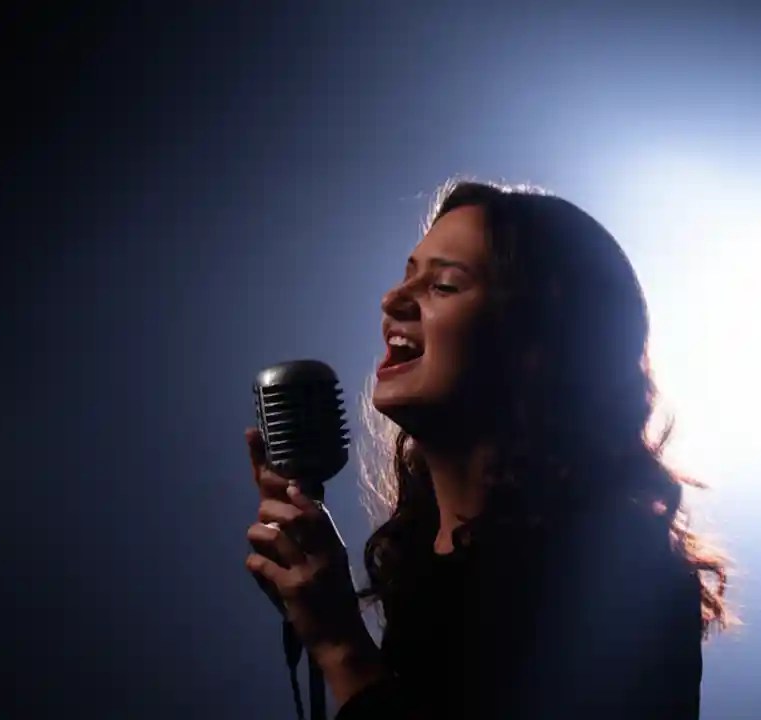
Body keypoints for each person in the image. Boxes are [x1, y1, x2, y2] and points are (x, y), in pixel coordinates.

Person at [244, 180, 733, 719]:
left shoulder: (616, 573)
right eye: (408, 276)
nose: (391, 301)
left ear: (537, 345)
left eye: (444, 285)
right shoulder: (424, 570)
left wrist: (342, 647)